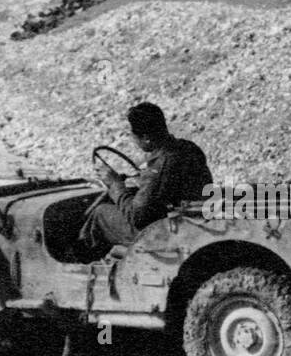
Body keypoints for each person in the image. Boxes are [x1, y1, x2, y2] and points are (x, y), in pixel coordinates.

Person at [79, 102, 212, 257]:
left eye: (133, 135)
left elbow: (137, 218)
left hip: (164, 229)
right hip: (190, 218)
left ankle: (86, 262)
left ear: (146, 138)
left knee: (100, 213)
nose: (132, 138)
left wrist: (115, 184)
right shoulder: (187, 147)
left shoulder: (160, 166)